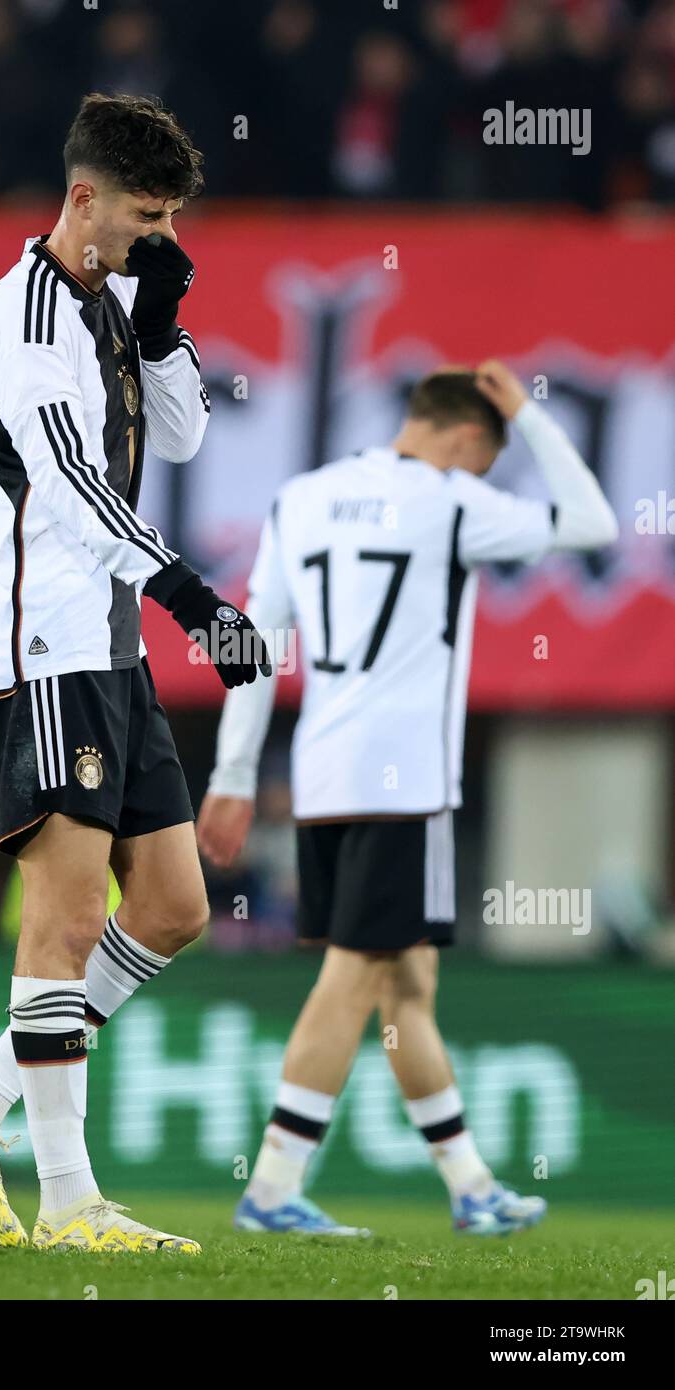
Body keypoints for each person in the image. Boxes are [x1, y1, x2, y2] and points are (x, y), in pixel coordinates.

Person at [0, 92, 268, 1256]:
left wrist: (162, 328)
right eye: (145, 216)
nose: (159, 236)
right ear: (82, 199)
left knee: (170, 908)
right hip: (47, 641)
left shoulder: (113, 302)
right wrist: (192, 596)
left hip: (107, 641)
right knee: (61, 927)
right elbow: (67, 482)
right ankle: (70, 1205)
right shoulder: (21, 316)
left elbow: (182, 439)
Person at [197, 362, 618, 1236]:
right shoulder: (449, 499)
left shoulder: (301, 498)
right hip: (404, 777)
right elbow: (594, 522)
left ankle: (471, 1188)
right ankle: (272, 1188)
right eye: (485, 455)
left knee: (408, 981)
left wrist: (234, 777)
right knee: (354, 975)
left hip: (319, 775)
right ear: (468, 438)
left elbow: (251, 647)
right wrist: (531, 418)